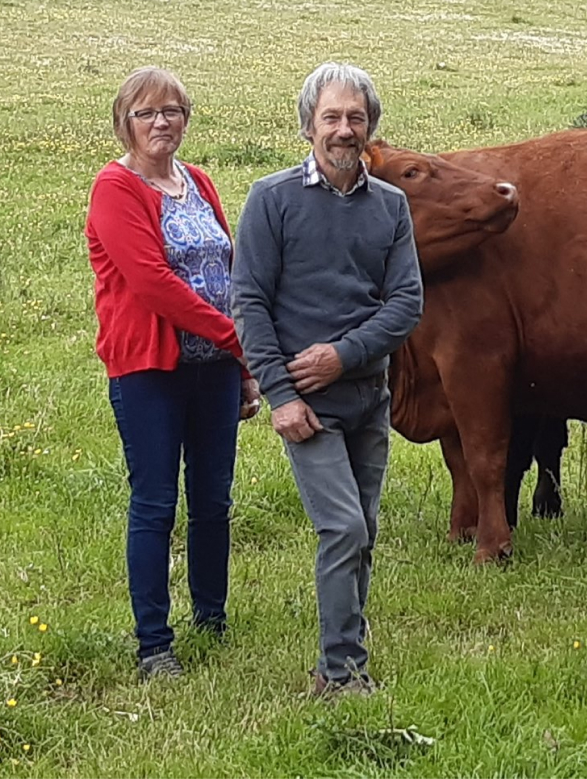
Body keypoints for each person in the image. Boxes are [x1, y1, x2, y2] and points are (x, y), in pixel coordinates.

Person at [232, 62, 423, 698]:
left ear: (371, 129)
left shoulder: (391, 206)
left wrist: (344, 355)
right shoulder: (272, 199)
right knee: (342, 529)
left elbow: (405, 303)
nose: (344, 130)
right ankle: (343, 672)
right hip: (307, 409)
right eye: (332, 118)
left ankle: (337, 663)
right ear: (308, 126)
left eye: (356, 119)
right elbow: (249, 301)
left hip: (369, 396)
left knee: (362, 534)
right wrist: (280, 396)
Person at [85, 66, 261, 681]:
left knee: (213, 502)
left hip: (214, 372)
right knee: (156, 503)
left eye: (172, 111)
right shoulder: (115, 188)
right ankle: (153, 645)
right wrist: (239, 336)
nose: (161, 122)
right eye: (146, 113)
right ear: (124, 123)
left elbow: (234, 275)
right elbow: (152, 283)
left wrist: (242, 368)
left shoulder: (200, 181)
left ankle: (211, 620)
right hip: (149, 371)